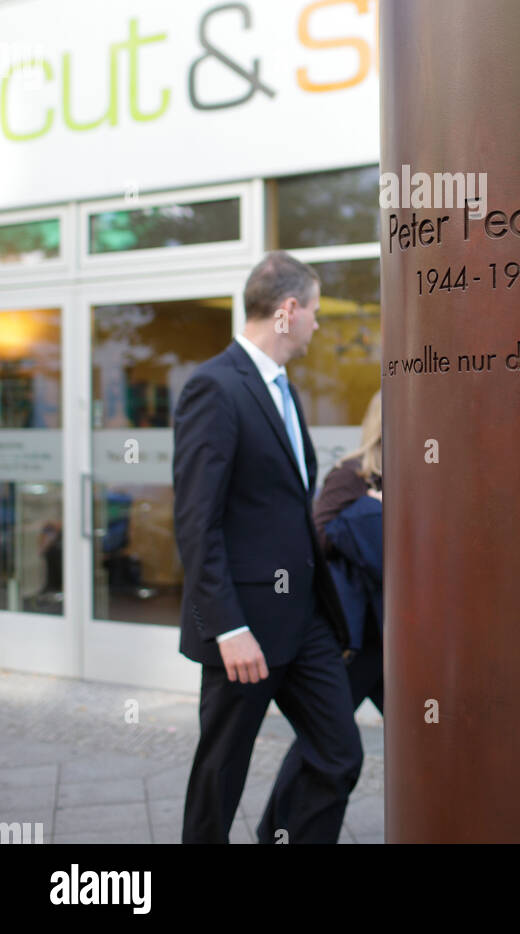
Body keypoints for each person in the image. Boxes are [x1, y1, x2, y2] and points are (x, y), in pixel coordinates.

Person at [172, 251, 363, 844]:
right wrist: (227, 627)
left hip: (303, 622)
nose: (316, 324)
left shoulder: (283, 390)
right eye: (313, 310)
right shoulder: (216, 387)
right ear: (287, 311)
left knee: (338, 753)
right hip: (244, 630)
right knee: (220, 778)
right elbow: (197, 521)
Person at [313, 392, 383, 715]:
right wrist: (370, 511)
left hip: (399, 629)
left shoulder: (421, 468)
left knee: (423, 732)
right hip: (363, 630)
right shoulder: (351, 473)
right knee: (329, 737)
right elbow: (320, 536)